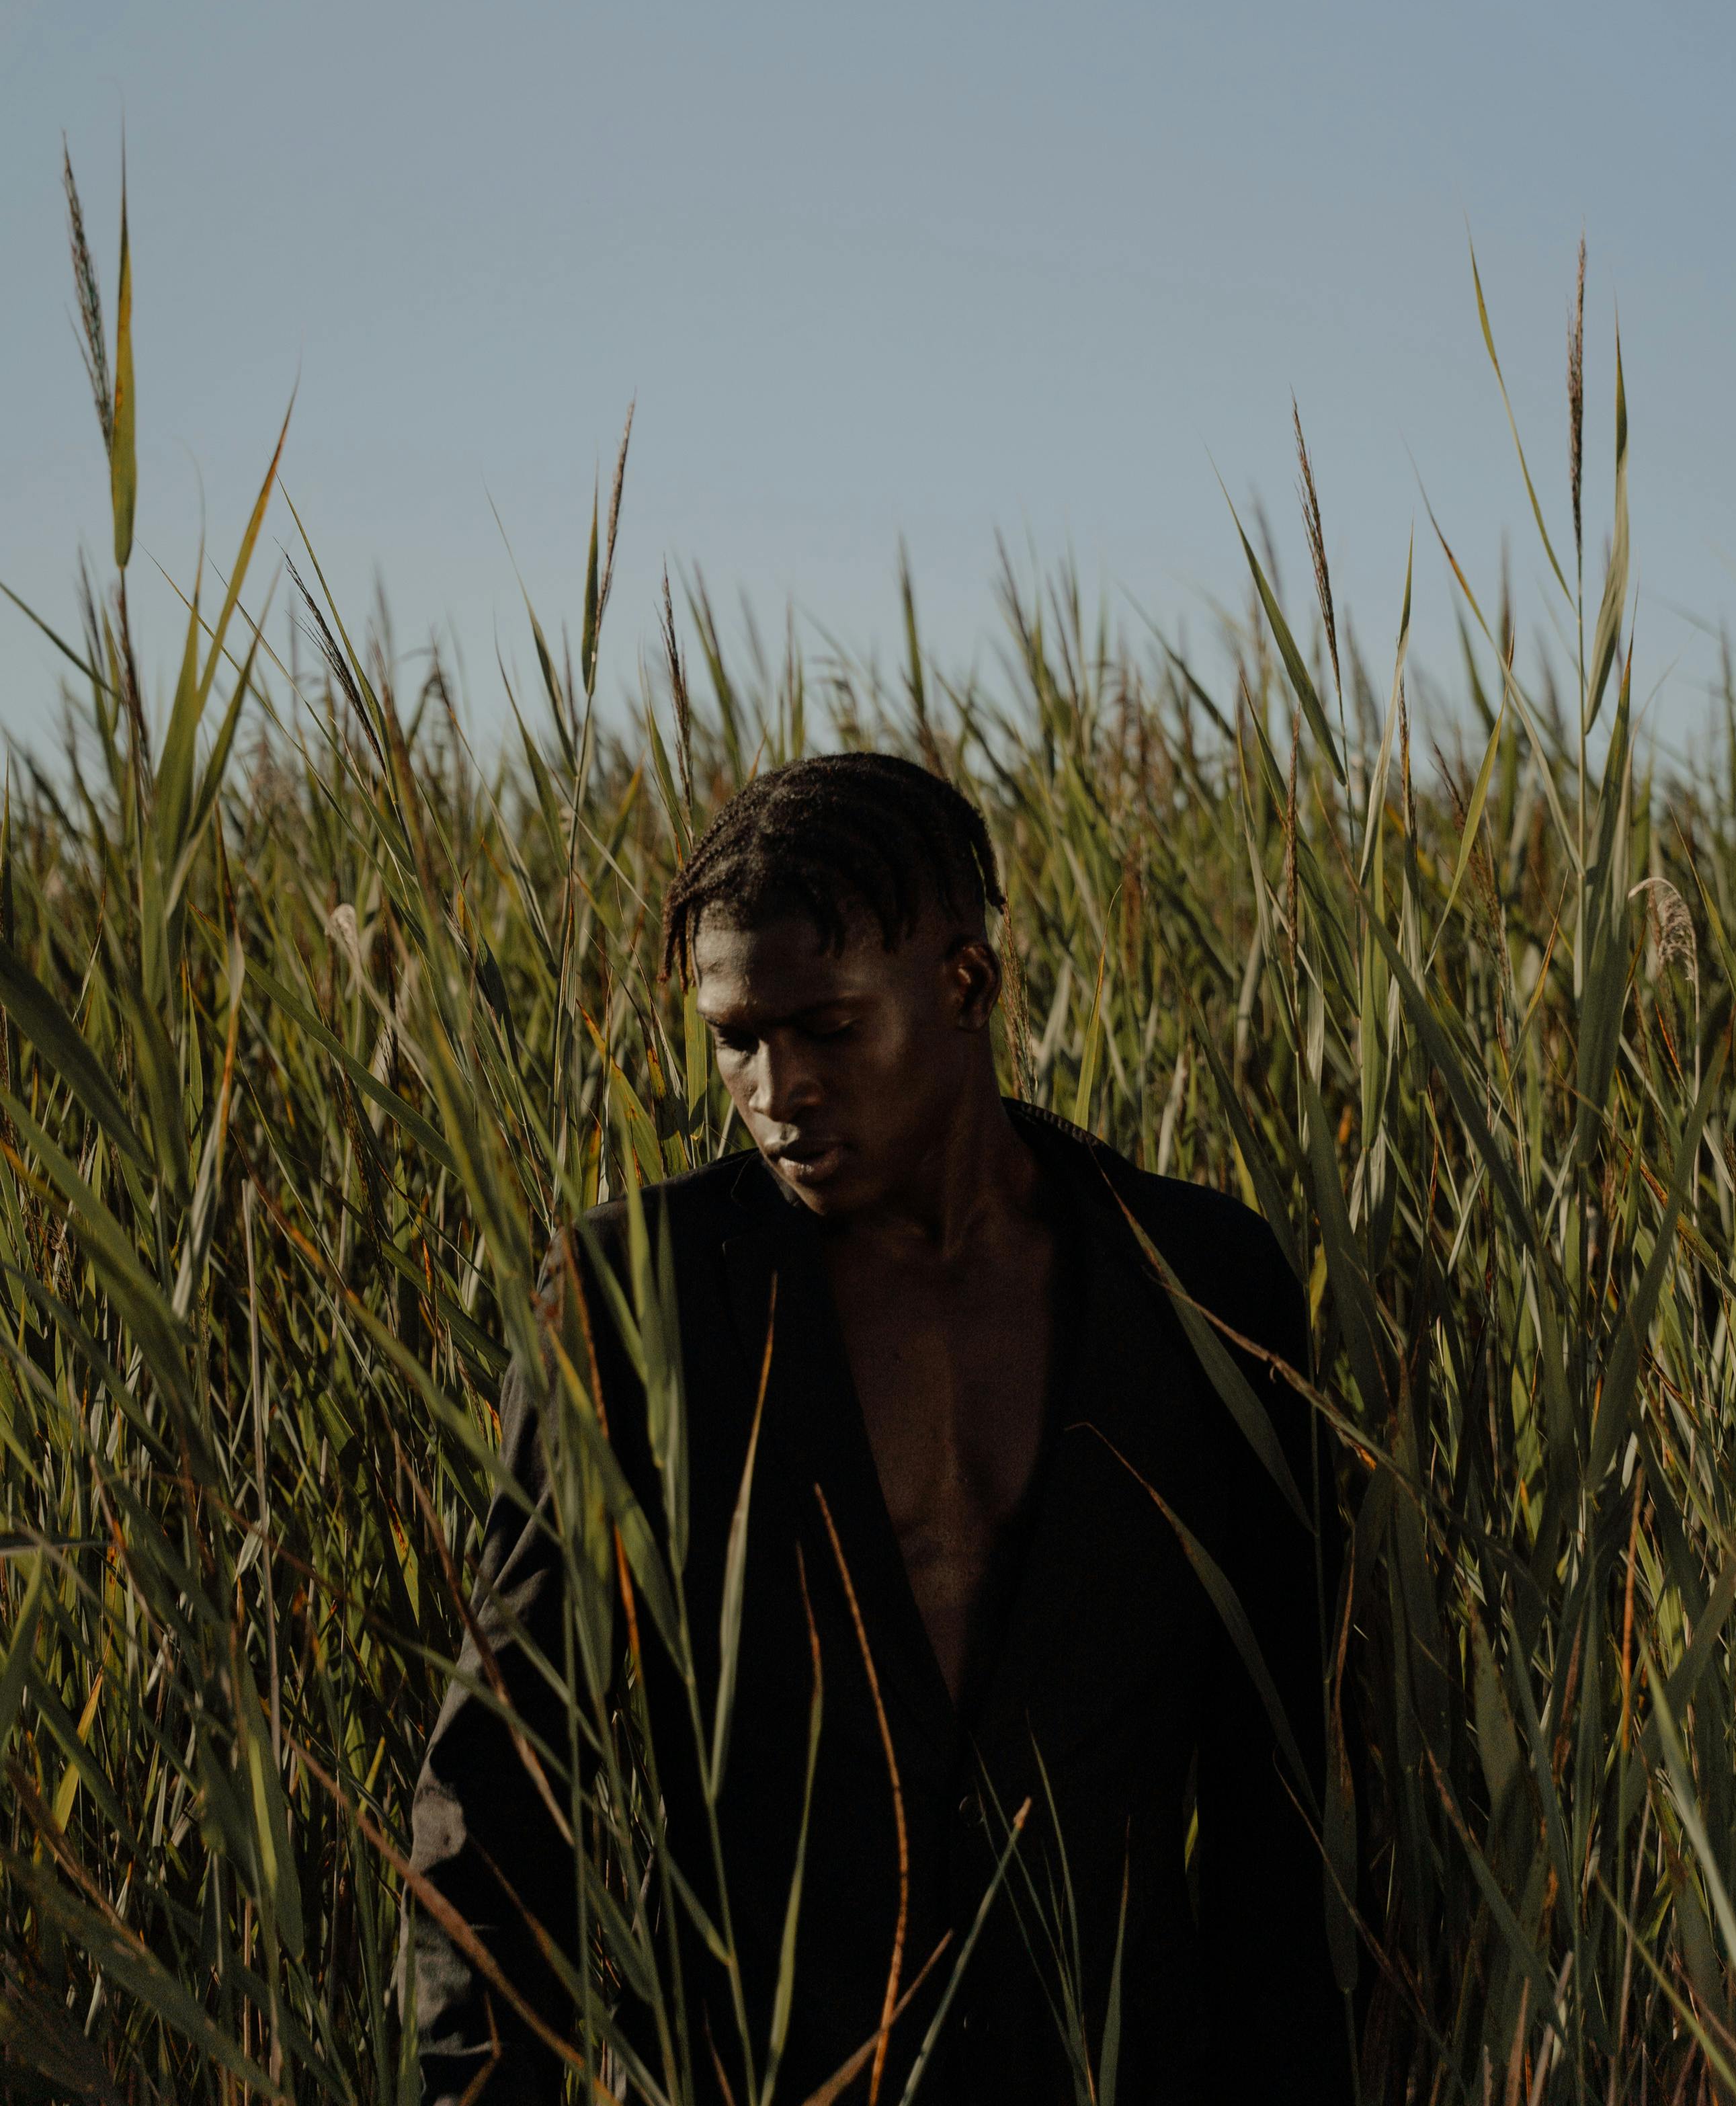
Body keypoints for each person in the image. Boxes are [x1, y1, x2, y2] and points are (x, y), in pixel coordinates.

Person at [407, 753, 1352, 2103]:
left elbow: (1277, 1803)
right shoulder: (644, 1296)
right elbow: (498, 1775)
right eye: (733, 1036)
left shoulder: (1198, 1286)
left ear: (964, 983)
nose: (775, 1085)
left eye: (825, 1027)